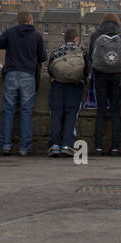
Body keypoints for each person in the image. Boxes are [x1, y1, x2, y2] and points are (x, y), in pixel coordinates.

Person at [0, 11, 47, 156]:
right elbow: (43, 57)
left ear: (17, 21)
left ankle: (5, 146)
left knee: (8, 111)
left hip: (11, 74)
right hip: (28, 76)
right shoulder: (36, 36)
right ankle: (24, 148)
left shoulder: (10, 32)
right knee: (26, 112)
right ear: (30, 21)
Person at [46, 28, 89, 157]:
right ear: (76, 39)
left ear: (63, 39)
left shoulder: (56, 50)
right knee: (71, 115)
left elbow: (49, 70)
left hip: (58, 86)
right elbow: (86, 71)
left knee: (56, 114)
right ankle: (67, 145)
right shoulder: (82, 51)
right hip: (75, 86)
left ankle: (54, 145)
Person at [87, 13, 121, 155]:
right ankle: (115, 147)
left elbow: (90, 55)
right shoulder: (120, 35)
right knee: (115, 112)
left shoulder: (96, 34)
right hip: (116, 75)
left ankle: (98, 147)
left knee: (101, 111)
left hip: (100, 75)